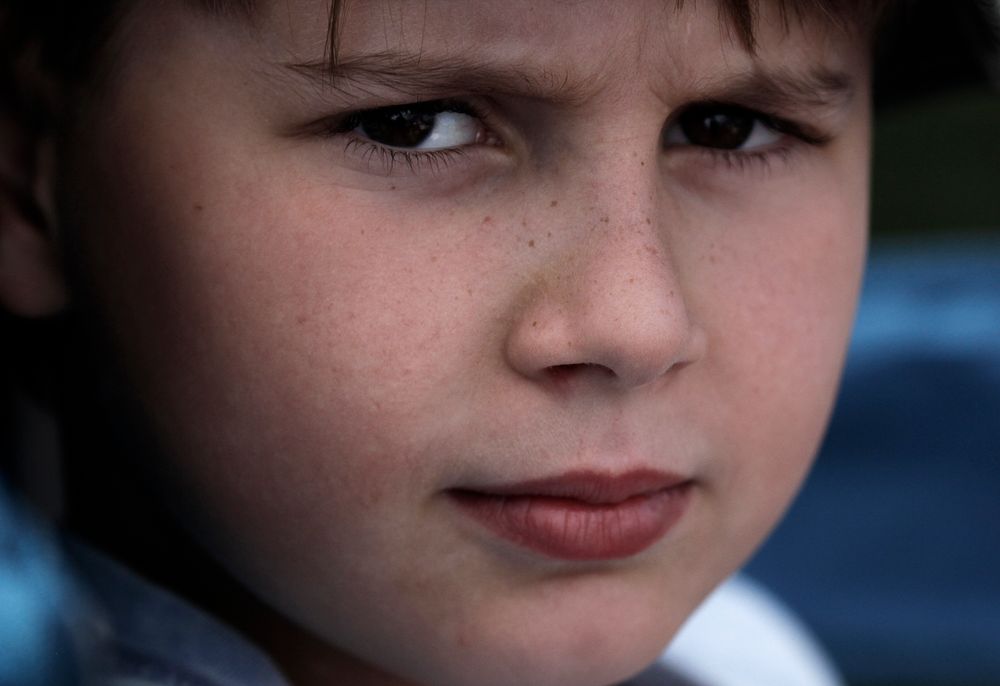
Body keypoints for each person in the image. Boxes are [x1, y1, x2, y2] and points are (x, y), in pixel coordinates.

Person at [0, 1, 889, 684]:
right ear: (28, 180)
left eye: (728, 127)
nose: (637, 324)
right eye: (415, 124)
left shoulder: (741, 651)